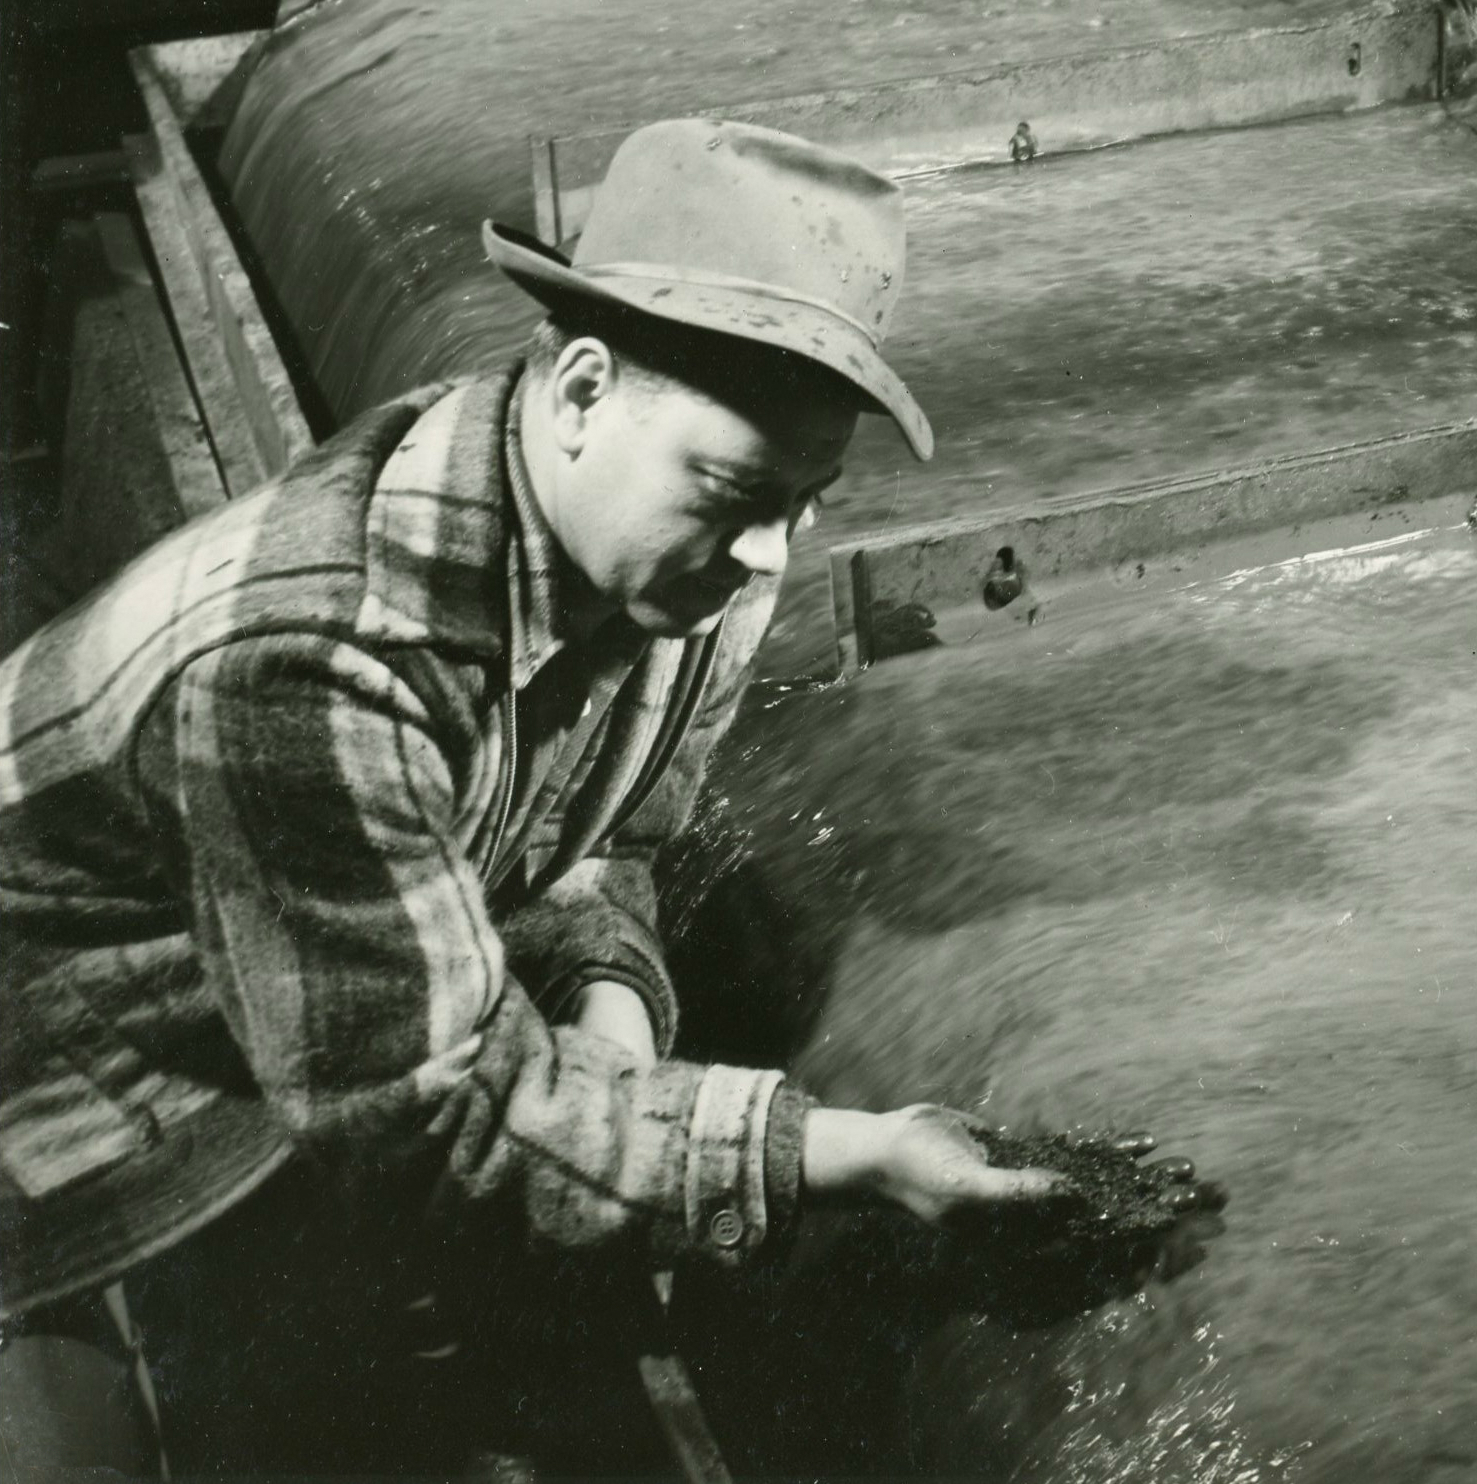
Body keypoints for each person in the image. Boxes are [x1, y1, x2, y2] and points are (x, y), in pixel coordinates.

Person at [0, 120, 1212, 1472]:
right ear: (579, 389)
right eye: (738, 490)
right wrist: (860, 1152)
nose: (766, 556)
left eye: (807, 500)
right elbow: (437, 1120)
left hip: (270, 1031)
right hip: (54, 1114)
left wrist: (611, 1035)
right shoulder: (309, 666)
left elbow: (603, 841)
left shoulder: (679, 558)